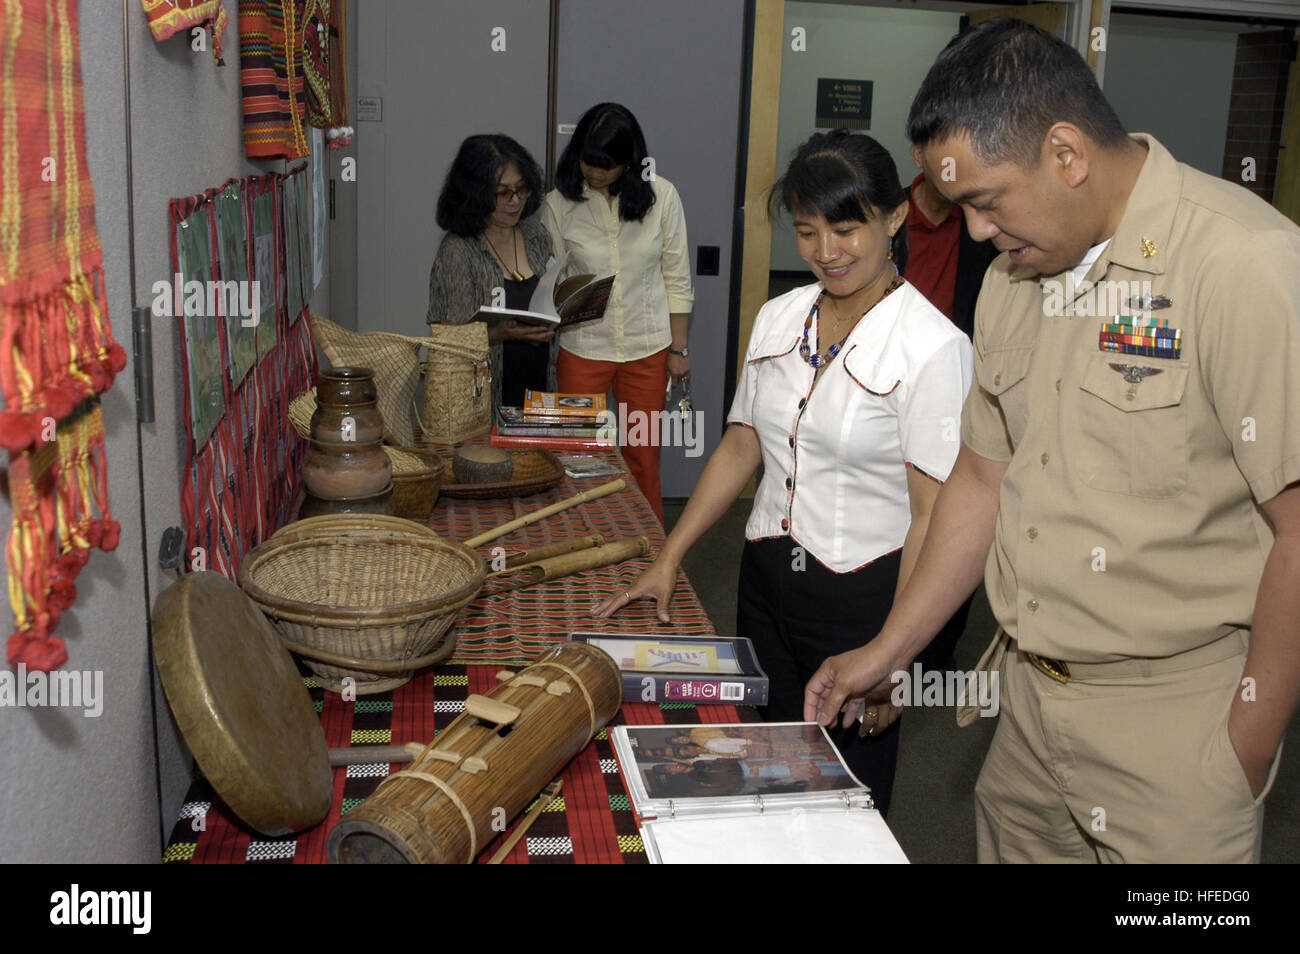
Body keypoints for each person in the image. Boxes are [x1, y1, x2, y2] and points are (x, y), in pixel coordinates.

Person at [804, 18, 1300, 863]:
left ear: (1066, 153)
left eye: (985, 201)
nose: (977, 233)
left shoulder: (1243, 265)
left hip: (1176, 726)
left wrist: (1241, 744)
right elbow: (981, 483)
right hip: (1027, 709)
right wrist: (890, 651)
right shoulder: (1012, 281)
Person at [594, 130, 973, 817]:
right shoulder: (778, 318)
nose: (826, 251)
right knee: (762, 765)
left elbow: (934, 516)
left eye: (846, 228)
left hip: (866, 600)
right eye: (807, 231)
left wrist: (897, 661)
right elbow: (741, 448)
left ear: (893, 219)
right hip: (767, 578)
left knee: (843, 796)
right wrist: (669, 557)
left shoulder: (933, 347)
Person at [543, 103, 694, 523]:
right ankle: (580, 537)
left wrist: (678, 350)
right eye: (588, 161)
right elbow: (551, 282)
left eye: (606, 165)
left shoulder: (662, 196)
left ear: (629, 161)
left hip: (647, 349)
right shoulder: (558, 204)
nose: (594, 172)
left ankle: (647, 548)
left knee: (642, 455)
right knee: (578, 453)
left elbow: (677, 278)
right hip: (582, 348)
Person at [904, 149, 998, 674]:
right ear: (919, 154)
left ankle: (934, 649)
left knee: (955, 508)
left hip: (962, 388)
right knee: (904, 511)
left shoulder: (983, 226)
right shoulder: (890, 217)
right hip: (892, 386)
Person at [427, 134, 556, 408]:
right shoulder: (458, 251)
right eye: (502, 192)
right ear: (475, 194)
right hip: (481, 401)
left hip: (540, 395)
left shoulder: (535, 234)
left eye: (522, 189)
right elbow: (446, 343)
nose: (515, 200)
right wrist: (499, 334)